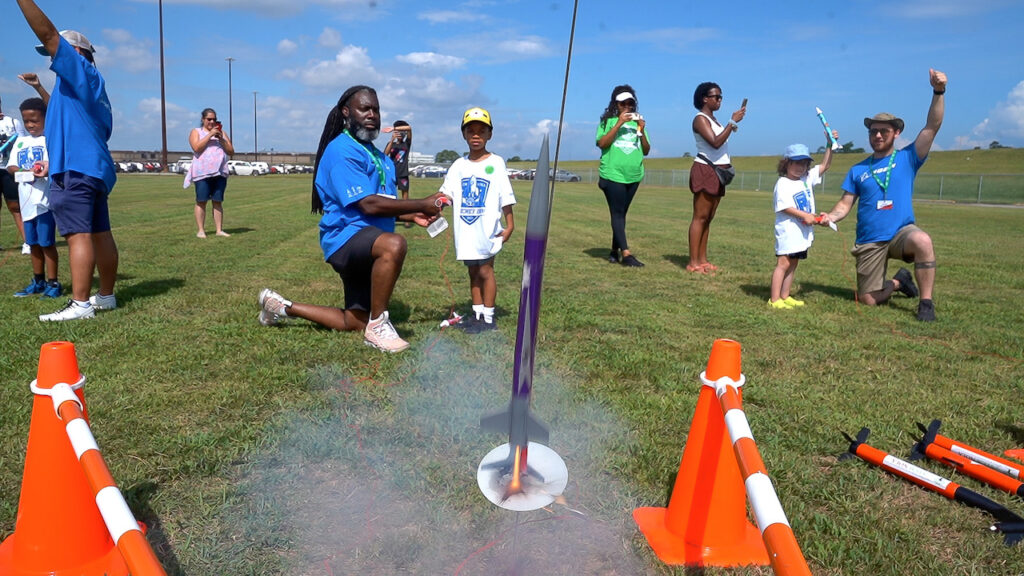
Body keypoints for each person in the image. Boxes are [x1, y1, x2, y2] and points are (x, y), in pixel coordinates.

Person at [257, 85, 446, 353]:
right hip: (346, 239)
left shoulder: (381, 158)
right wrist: (422, 202)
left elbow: (384, 202)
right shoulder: (341, 150)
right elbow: (367, 204)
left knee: (353, 321)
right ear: (347, 112)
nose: (372, 114)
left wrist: (412, 214)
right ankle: (378, 327)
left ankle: (280, 306)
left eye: (376, 109)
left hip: (368, 242)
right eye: (365, 108)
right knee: (394, 244)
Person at [18, 0, 120, 322]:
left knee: (78, 234)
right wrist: (39, 88)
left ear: (76, 53)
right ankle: (105, 296)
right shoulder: (88, 85)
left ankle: (80, 304)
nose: (52, 56)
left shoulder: (79, 69)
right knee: (101, 233)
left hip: (75, 168)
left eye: (56, 51)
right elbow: (65, 113)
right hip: (94, 168)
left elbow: (48, 33)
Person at [822, 69, 947, 322]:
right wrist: (830, 217)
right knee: (868, 300)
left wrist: (938, 92)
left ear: (896, 133)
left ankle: (925, 303)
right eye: (873, 131)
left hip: (901, 233)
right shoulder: (858, 169)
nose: (877, 135)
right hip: (870, 240)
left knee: (923, 241)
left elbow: (932, 127)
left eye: (884, 131)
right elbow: (845, 204)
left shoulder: (908, 158)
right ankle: (900, 282)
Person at [439, 107, 516, 333]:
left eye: (481, 131)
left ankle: (489, 318)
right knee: (472, 271)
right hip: (467, 229)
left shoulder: (496, 162)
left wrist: (510, 224)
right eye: (470, 131)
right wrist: (436, 206)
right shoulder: (458, 165)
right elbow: (447, 193)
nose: (476, 136)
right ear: (463, 134)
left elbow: (505, 195)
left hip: (487, 228)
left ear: (489, 135)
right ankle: (477, 313)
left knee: (486, 271)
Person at [768, 134, 837, 309]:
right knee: (783, 263)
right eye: (796, 163)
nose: (800, 167)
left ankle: (785, 295)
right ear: (787, 164)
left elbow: (825, 165)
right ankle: (774, 300)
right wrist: (804, 215)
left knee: (793, 263)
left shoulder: (806, 179)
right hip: (788, 230)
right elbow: (783, 206)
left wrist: (829, 144)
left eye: (804, 164)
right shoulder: (783, 183)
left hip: (801, 232)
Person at [688, 82, 745, 273]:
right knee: (700, 217)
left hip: (718, 172)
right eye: (716, 97)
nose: (720, 100)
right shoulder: (700, 119)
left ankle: (702, 260)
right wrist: (732, 122)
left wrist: (731, 124)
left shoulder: (714, 120)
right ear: (705, 98)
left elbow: (721, 138)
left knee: (709, 218)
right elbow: (715, 143)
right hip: (705, 169)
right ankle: (693, 263)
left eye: (721, 97)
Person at [7, 97, 60, 298]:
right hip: (26, 204)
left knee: (47, 243)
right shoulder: (21, 141)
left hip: (44, 203)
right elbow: (11, 167)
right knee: (33, 244)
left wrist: (44, 170)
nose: (30, 125)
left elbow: (54, 165)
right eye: (26, 121)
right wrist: (23, 170)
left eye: (35, 120)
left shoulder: (50, 140)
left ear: (46, 119)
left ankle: (53, 283)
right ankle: (38, 280)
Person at [595, 85, 649, 267]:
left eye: (630, 103)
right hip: (612, 174)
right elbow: (602, 143)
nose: (627, 106)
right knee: (617, 213)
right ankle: (626, 254)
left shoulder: (638, 123)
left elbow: (646, 150)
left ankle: (613, 251)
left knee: (621, 214)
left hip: (633, 175)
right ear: (616, 104)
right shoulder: (607, 122)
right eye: (623, 103)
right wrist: (618, 123)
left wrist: (641, 130)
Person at [185, 108, 234, 238]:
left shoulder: (221, 133)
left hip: (219, 173)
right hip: (202, 173)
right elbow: (197, 147)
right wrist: (209, 135)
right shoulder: (196, 132)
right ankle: (201, 230)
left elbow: (231, 151)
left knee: (217, 201)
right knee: (202, 200)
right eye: (209, 119)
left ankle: (219, 230)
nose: (212, 122)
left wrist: (221, 139)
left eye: (214, 119)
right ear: (203, 120)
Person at [0, 95, 28, 254]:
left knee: (15, 206)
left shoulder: (12, 122)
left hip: (8, 169)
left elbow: (23, 144)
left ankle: (28, 242)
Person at [384, 120, 412, 227]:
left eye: (401, 132)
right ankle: (390, 217)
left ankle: (407, 219)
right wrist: (392, 140)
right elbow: (385, 155)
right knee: (390, 197)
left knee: (405, 198)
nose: (399, 134)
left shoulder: (407, 143)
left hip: (403, 173)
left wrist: (394, 128)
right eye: (397, 132)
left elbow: (409, 128)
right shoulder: (391, 144)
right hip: (391, 174)